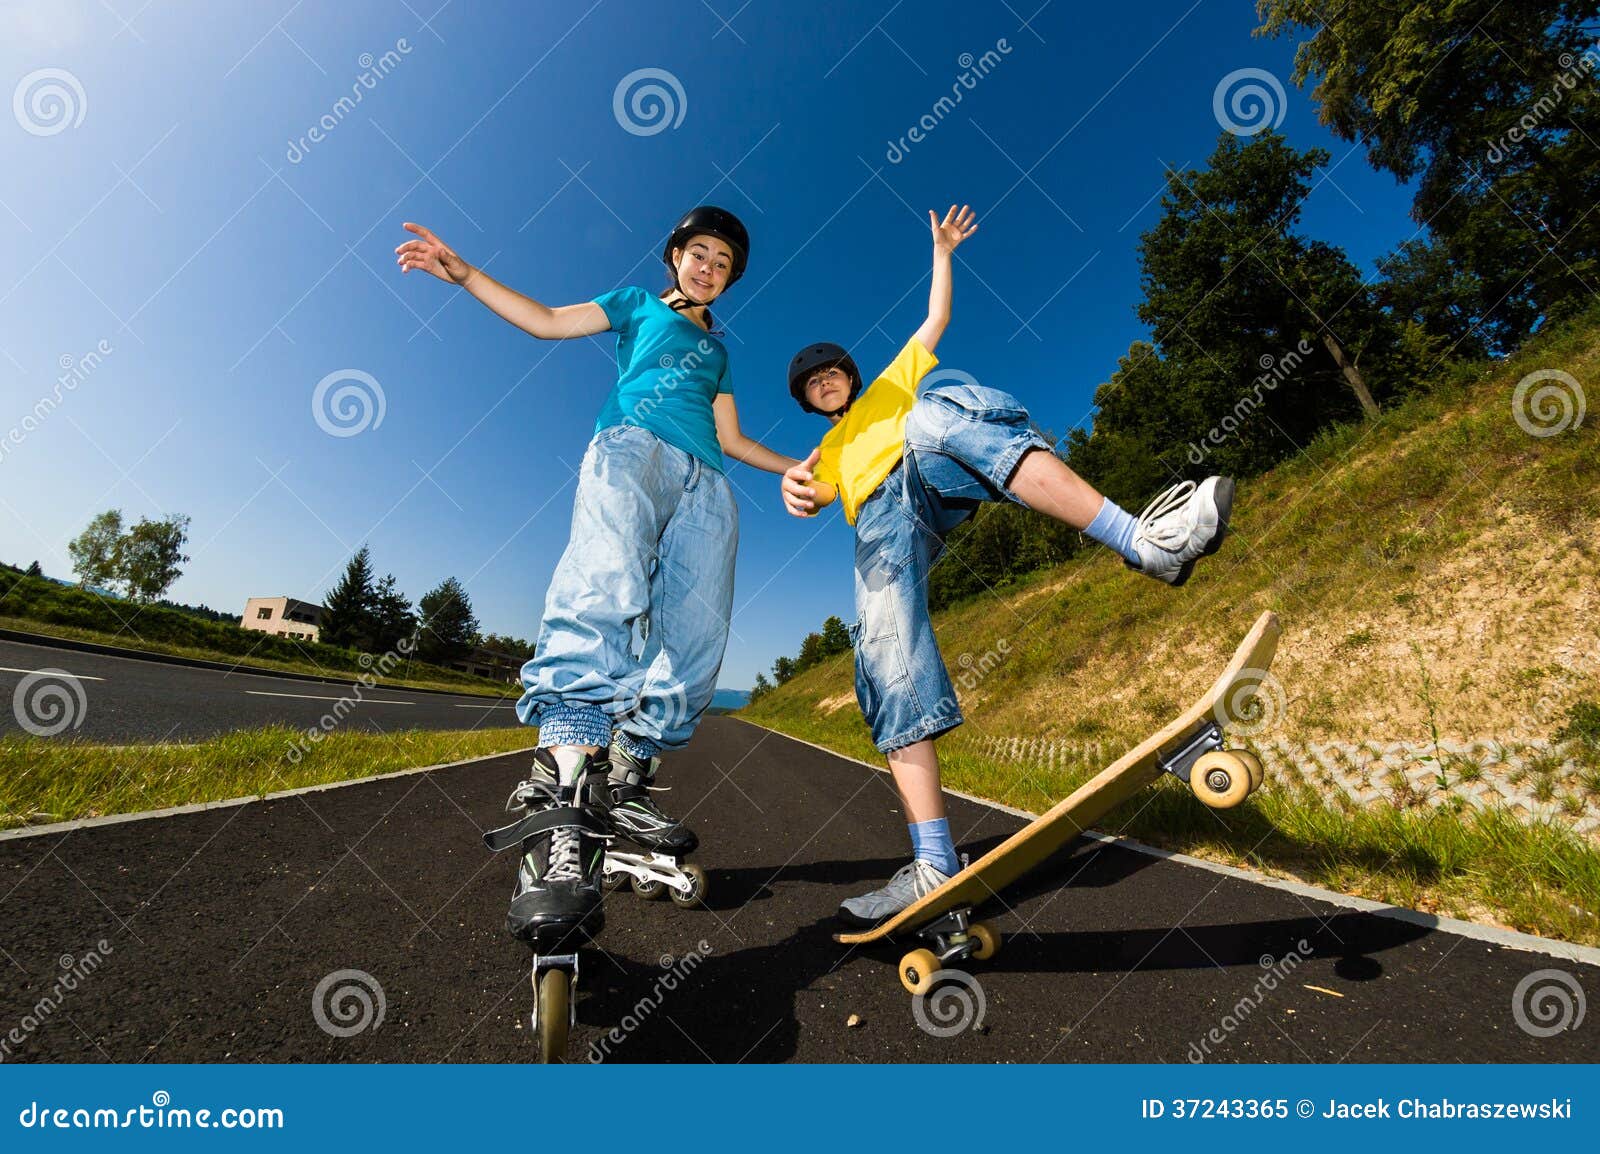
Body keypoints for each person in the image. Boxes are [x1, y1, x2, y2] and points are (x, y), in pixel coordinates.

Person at [779, 205, 1233, 926]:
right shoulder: (825, 451)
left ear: (849, 374)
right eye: (813, 384)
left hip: (931, 465)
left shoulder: (891, 383)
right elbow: (812, 497)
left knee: (934, 409)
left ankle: (1147, 543)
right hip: (884, 525)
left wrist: (943, 253)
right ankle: (934, 861)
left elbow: (935, 318)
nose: (825, 382)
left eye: (831, 372)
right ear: (808, 401)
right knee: (886, 656)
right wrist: (797, 491)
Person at [398, 206, 799, 948]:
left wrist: (796, 468)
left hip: (707, 484)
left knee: (698, 640)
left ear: (730, 279)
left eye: (723, 263)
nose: (709, 268)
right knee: (605, 586)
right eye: (699, 253)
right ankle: (563, 794)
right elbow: (548, 320)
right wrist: (467, 275)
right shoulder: (637, 305)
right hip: (633, 448)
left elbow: (735, 437)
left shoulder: (718, 351)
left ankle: (625, 779)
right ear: (675, 257)